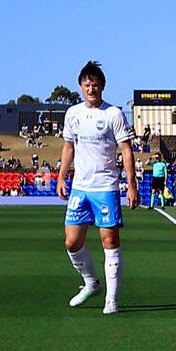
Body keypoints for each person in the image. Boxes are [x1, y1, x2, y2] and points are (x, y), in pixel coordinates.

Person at [57, 61, 139, 315]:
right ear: (81, 87)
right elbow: (68, 147)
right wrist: (61, 177)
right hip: (80, 188)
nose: (91, 88)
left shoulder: (113, 114)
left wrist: (131, 185)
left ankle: (111, 300)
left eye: (95, 84)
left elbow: (127, 151)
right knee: (72, 243)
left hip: (106, 187)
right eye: (87, 84)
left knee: (109, 241)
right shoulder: (73, 114)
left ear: (102, 86)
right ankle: (91, 283)